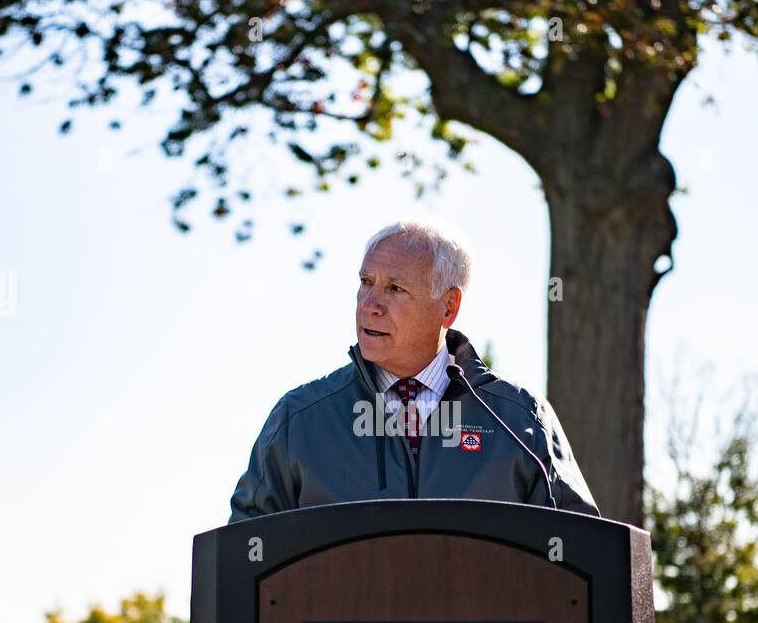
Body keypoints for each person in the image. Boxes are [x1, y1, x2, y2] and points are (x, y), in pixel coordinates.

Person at [228, 217, 599, 522]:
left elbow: (578, 554)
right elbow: (244, 558)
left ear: (449, 306)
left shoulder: (520, 420)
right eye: (366, 283)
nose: (369, 305)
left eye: (395, 289)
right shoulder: (300, 419)